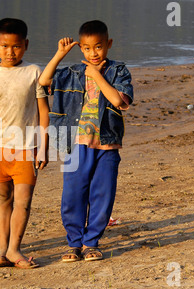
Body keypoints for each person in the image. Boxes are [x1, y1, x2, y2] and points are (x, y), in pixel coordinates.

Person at [39, 20, 133, 262]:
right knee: (73, 193)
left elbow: (120, 101)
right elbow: (44, 82)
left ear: (109, 44)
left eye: (99, 47)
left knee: (103, 193)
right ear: (81, 48)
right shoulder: (70, 73)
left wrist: (97, 76)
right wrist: (59, 54)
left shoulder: (118, 71)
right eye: (88, 48)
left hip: (107, 143)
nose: (94, 53)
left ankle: (91, 243)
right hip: (75, 143)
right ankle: (74, 243)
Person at [0, 18, 49, 269]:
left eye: (16, 46)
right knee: (4, 199)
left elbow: (44, 112)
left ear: (25, 45)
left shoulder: (34, 72)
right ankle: (2, 251)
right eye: (4, 46)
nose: (10, 52)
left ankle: (15, 249)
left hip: (26, 148)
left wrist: (45, 145)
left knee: (23, 200)